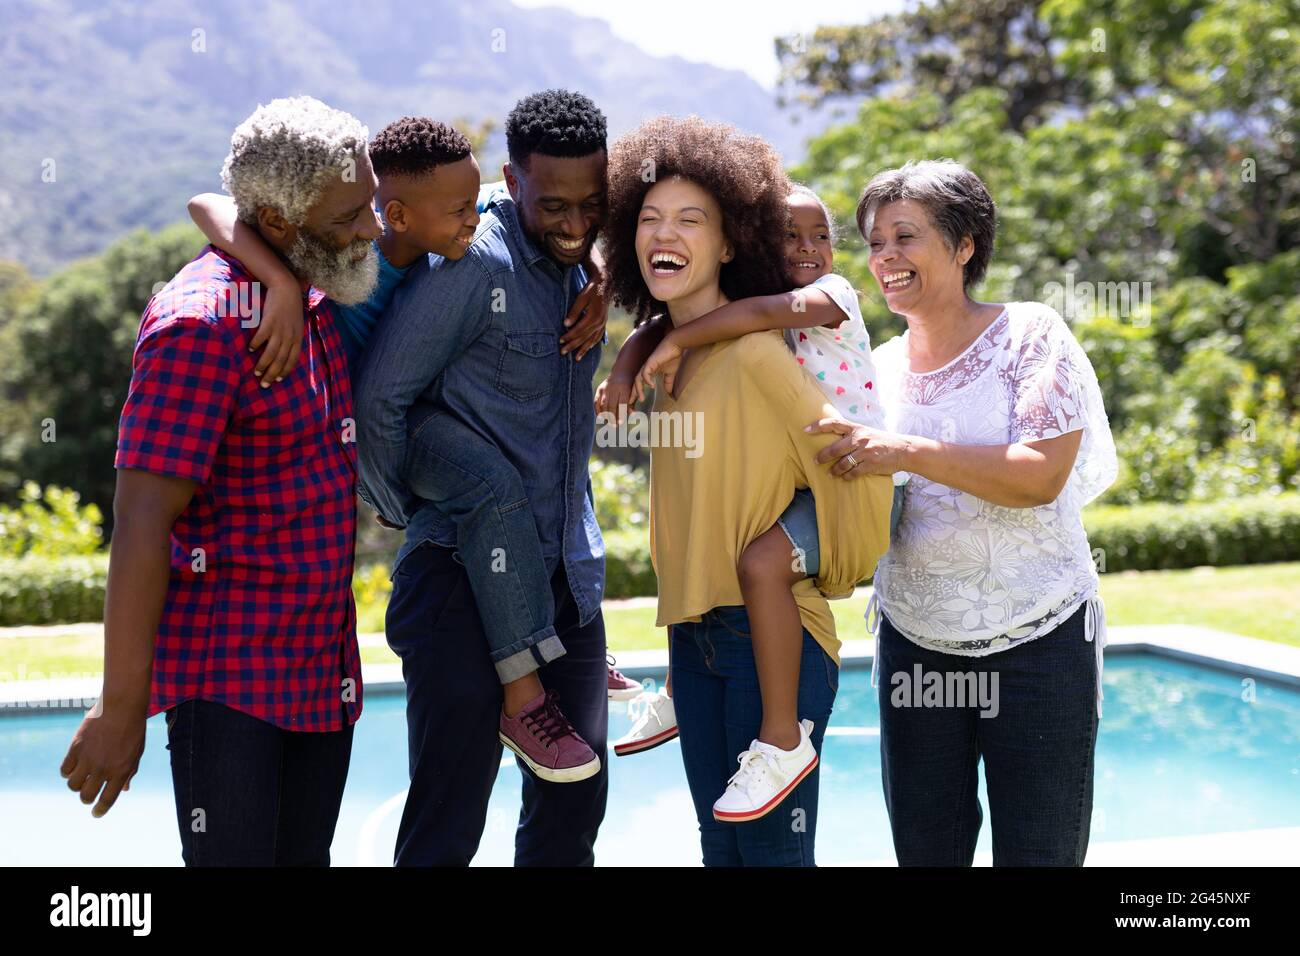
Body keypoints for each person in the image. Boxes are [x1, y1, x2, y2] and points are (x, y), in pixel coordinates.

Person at [186, 117, 608, 772]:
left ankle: (559, 655)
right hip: (356, 426)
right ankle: (524, 696)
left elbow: (525, 208)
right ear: (401, 215)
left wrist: (598, 277)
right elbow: (206, 204)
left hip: (400, 415)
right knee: (490, 486)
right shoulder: (350, 247)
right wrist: (275, 280)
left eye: (475, 203)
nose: (478, 219)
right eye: (461, 210)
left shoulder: (451, 229)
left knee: (495, 489)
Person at [59, 96, 380, 865]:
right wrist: (121, 705)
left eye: (368, 204)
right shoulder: (198, 328)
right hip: (230, 687)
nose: (372, 227)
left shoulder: (312, 282)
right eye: (350, 216)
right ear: (275, 224)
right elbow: (140, 523)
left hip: (318, 674)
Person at [808, 159, 1118, 865]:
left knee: (1040, 853)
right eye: (875, 241)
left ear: (965, 243)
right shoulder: (875, 367)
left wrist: (907, 450)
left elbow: (1040, 475)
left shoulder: (1030, 335)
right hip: (914, 646)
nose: (885, 257)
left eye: (905, 236)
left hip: (1040, 641)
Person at [600, 115, 893, 864]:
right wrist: (637, 358)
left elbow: (856, 462)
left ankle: (784, 740)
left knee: (769, 854)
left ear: (730, 242)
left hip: (770, 643)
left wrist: (822, 559)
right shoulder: (666, 359)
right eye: (649, 218)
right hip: (692, 640)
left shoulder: (761, 356)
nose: (664, 231)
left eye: (690, 219)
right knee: (719, 850)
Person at [355, 89, 612, 866]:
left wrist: (599, 268)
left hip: (569, 580)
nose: (574, 223)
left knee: (571, 821)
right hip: (461, 584)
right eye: (554, 205)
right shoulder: (473, 264)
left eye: (591, 205)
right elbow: (379, 401)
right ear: (511, 180)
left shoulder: (585, 257)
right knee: (446, 825)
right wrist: (401, 506)